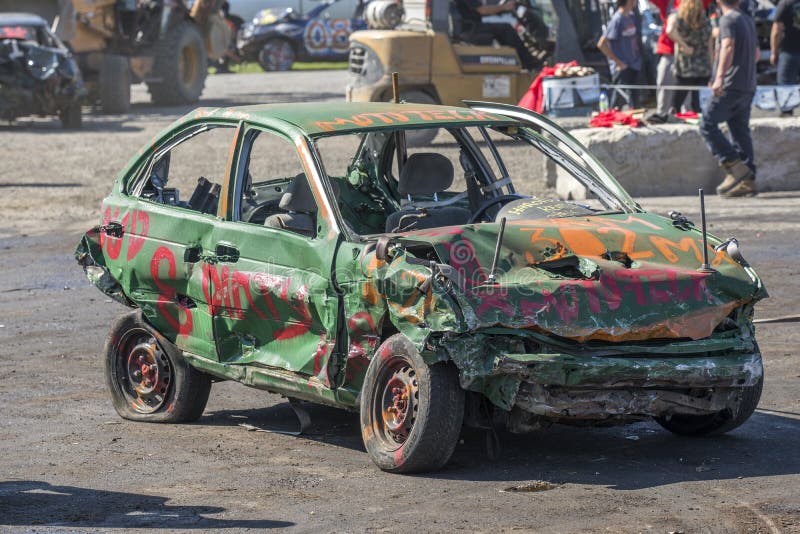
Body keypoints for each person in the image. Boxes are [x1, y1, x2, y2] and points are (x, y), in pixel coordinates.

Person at [700, 0, 759, 197]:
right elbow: (756, 54)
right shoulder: (747, 19)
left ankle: (734, 166)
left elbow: (727, 47)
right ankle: (748, 181)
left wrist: (718, 78)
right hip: (747, 85)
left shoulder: (728, 19)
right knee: (739, 130)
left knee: (707, 124)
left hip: (731, 86)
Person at [452, 0, 537, 70]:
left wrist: (500, 9)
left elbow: (480, 11)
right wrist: (505, 7)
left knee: (502, 28)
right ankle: (530, 64)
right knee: (506, 29)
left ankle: (517, 62)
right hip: (471, 28)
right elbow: (483, 10)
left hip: (469, 27)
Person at [667, 0, 713, 112]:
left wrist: (683, 45)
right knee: (699, 105)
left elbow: (669, 31)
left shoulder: (679, 18)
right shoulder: (705, 21)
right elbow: (710, 47)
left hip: (685, 68)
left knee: (675, 104)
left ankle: (674, 122)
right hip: (703, 68)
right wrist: (712, 68)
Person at [598, 0, 642, 108]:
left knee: (634, 101)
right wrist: (618, 62)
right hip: (622, 67)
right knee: (617, 101)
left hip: (634, 64)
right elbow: (602, 44)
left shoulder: (631, 17)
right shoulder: (617, 19)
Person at [770, 0, 800, 92]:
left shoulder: (785, 3)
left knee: (785, 90)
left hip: (789, 51)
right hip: (790, 52)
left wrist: (774, 52)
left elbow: (776, 31)